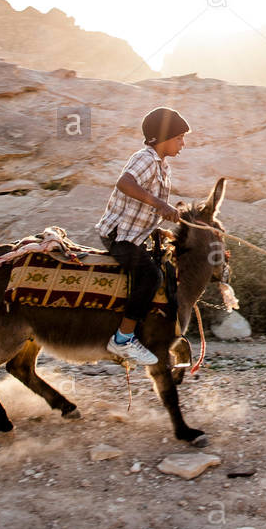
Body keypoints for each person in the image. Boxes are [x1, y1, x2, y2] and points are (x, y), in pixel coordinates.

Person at [96, 107, 189, 365]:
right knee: (150, 276)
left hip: (135, 233)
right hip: (120, 236)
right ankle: (122, 339)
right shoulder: (146, 158)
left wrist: (159, 223)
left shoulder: (163, 167)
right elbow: (124, 183)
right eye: (179, 137)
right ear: (163, 137)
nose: (183, 143)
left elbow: (143, 207)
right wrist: (160, 204)